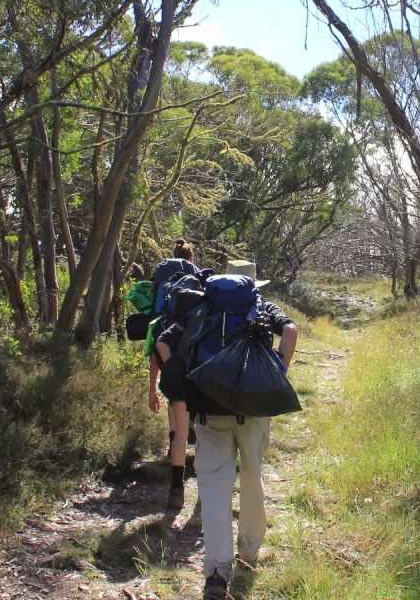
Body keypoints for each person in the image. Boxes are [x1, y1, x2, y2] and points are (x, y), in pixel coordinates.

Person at [159, 260, 297, 600]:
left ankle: (216, 573)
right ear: (252, 283)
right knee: (252, 478)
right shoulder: (262, 307)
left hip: (208, 411)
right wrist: (279, 370)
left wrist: (181, 375)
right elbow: (291, 331)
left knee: (214, 490)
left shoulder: (202, 305)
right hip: (253, 410)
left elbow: (164, 342)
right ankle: (248, 554)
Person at [147, 239, 200, 509]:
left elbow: (157, 347)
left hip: (171, 363)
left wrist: (153, 387)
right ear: (192, 258)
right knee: (201, 431)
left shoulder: (167, 296)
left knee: (178, 428)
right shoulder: (200, 289)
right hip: (198, 370)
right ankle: (206, 486)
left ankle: (176, 490)